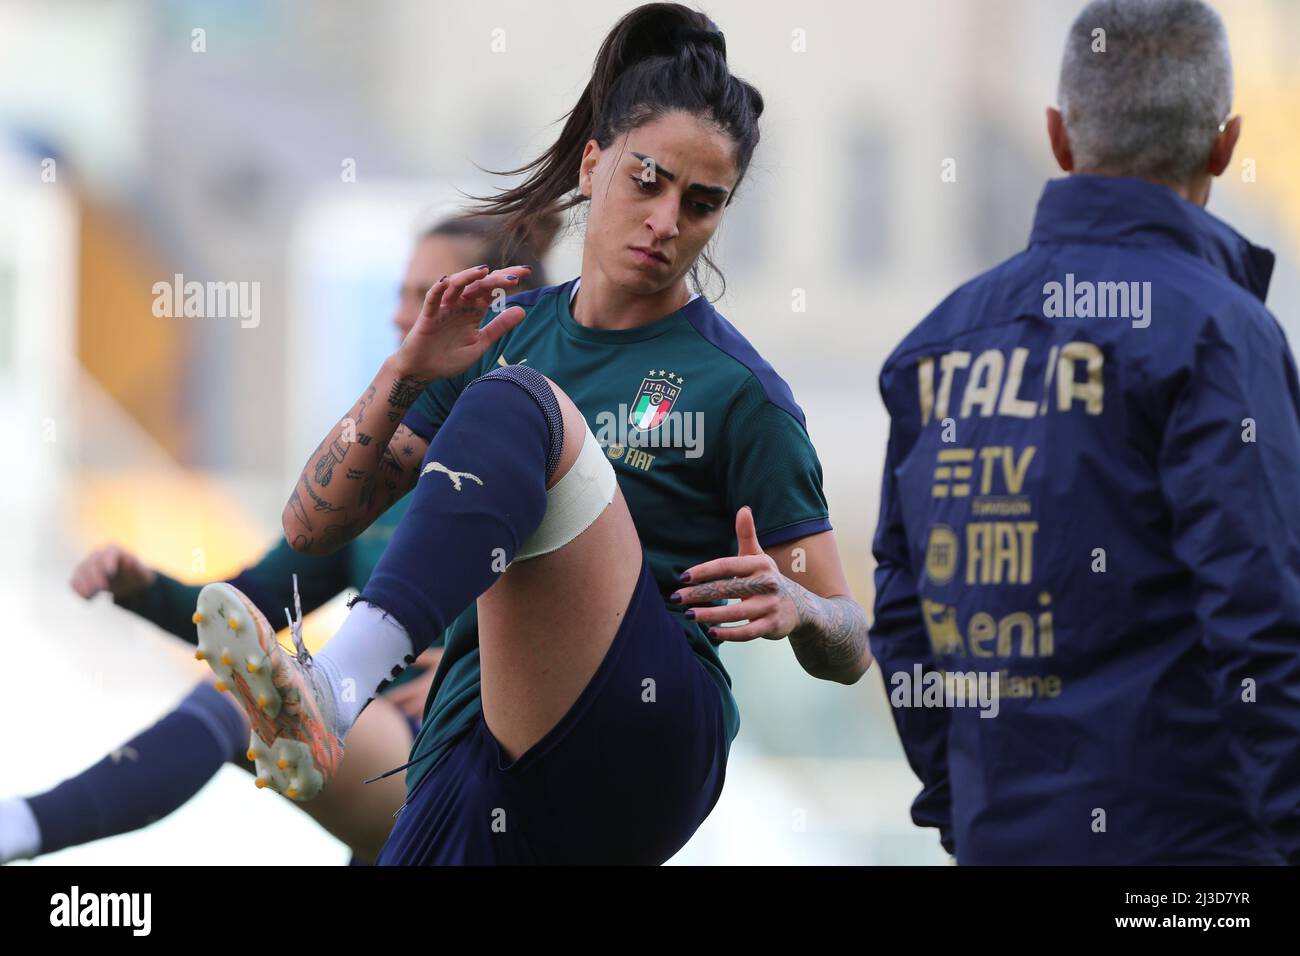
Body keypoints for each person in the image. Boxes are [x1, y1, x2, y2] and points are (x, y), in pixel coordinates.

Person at [199, 2, 871, 865]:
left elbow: (850, 643)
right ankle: (336, 689)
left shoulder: (739, 392)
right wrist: (402, 376)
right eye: (649, 181)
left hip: (648, 732)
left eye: (702, 204)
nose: (668, 222)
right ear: (594, 165)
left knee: (522, 400)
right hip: (483, 748)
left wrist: (805, 606)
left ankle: (338, 683)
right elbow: (311, 529)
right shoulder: (501, 332)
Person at [869, 0, 1300, 864]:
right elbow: (1262, 624)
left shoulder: (937, 348)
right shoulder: (1220, 336)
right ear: (1225, 143)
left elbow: (905, 619)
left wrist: (969, 818)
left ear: (1059, 138)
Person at [0, 213, 557, 865]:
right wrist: (142, 589)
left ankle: (22, 825)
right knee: (257, 685)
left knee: (256, 697)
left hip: (489, 781)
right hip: (387, 758)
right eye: (402, 295)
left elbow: (622, 627)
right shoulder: (379, 472)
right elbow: (249, 613)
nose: (402, 318)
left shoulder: (555, 453)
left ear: (499, 315)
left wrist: (482, 672)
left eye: (427, 295)